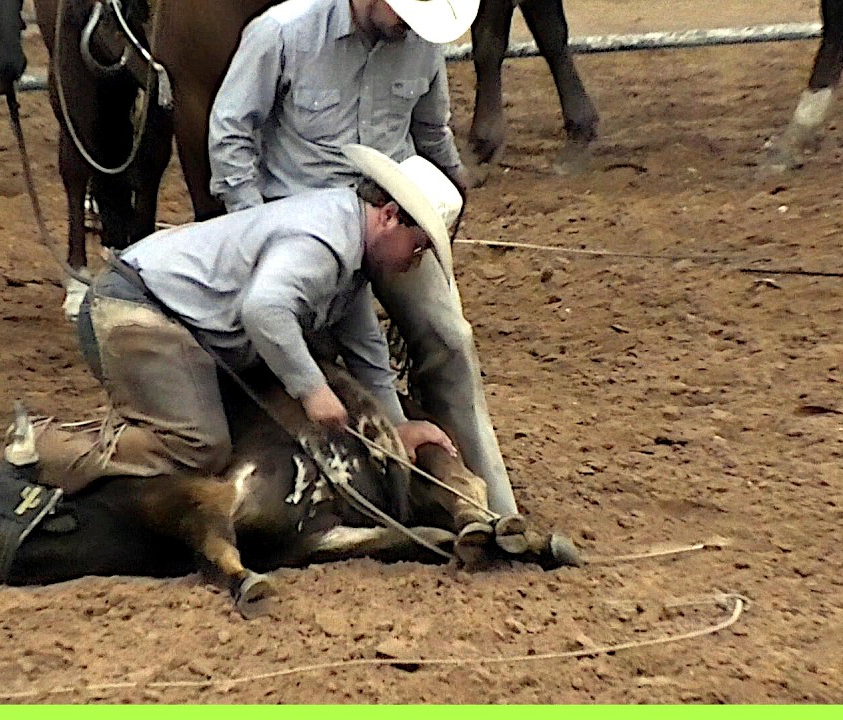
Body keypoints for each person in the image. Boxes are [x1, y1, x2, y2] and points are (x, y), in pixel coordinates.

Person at [207, 0, 520, 514]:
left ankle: (496, 507)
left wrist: (449, 200)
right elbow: (232, 132)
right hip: (305, 232)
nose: (409, 29)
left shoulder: (420, 41)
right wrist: (256, 227)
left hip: (394, 221)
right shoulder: (283, 32)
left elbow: (431, 131)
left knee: (449, 339)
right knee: (301, 342)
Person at [71, 144, 462, 487]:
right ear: (390, 216)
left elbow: (366, 347)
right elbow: (264, 310)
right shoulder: (323, 243)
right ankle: (51, 450)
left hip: (165, 313)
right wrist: (313, 390)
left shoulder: (349, 253)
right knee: (199, 447)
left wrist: (396, 428)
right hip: (136, 308)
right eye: (418, 245)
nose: (415, 261)